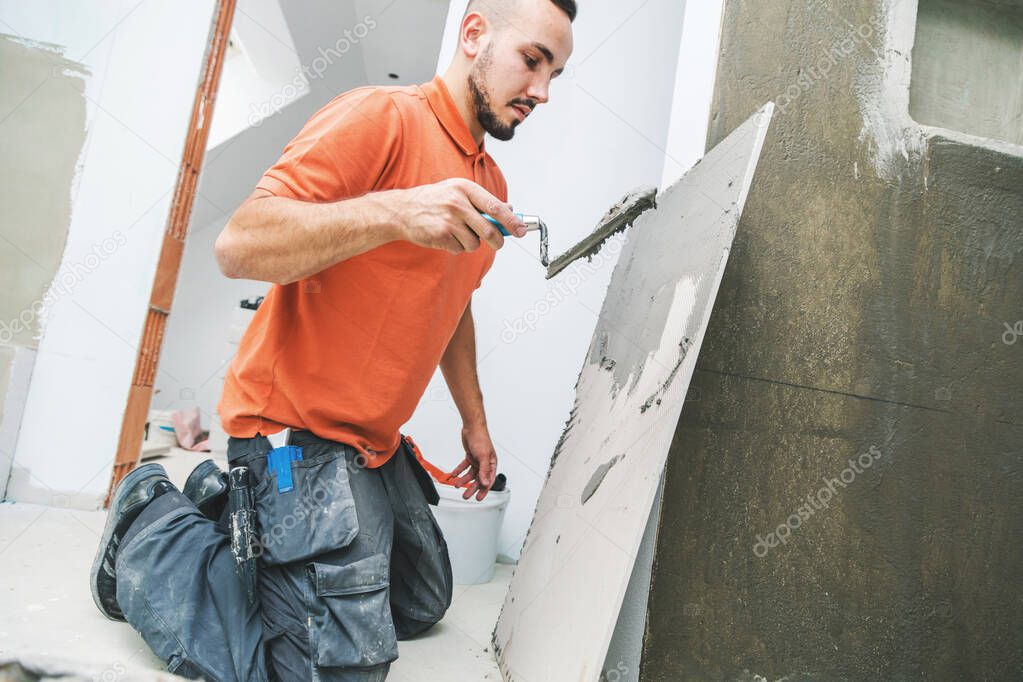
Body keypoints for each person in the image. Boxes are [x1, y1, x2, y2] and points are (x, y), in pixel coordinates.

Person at [90, 0, 575, 679]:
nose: (542, 91)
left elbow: (452, 300)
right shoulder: (382, 118)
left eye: (556, 72)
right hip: (288, 436)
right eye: (532, 60)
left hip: (370, 448)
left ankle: (226, 505)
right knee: (327, 670)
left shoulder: (489, 184)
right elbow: (240, 244)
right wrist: (397, 211)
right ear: (474, 35)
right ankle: (151, 527)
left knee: (420, 600)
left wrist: (475, 422)